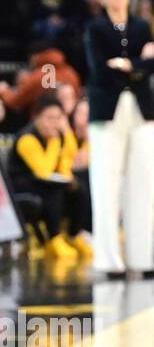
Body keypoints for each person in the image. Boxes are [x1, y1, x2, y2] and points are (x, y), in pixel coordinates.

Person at [83, 0, 154, 278]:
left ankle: (142, 259)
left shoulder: (142, 26)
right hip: (107, 111)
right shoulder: (95, 28)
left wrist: (128, 65)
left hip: (140, 109)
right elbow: (100, 71)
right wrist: (139, 64)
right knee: (106, 182)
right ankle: (108, 260)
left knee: (143, 181)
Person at [6, 94, 93, 260]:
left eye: (58, 118)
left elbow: (69, 159)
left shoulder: (58, 135)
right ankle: (54, 238)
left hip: (44, 183)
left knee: (77, 188)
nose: (53, 123)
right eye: (49, 118)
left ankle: (74, 234)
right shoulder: (27, 139)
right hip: (21, 184)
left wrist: (66, 132)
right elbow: (43, 170)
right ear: (37, 117)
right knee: (54, 190)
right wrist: (54, 142)